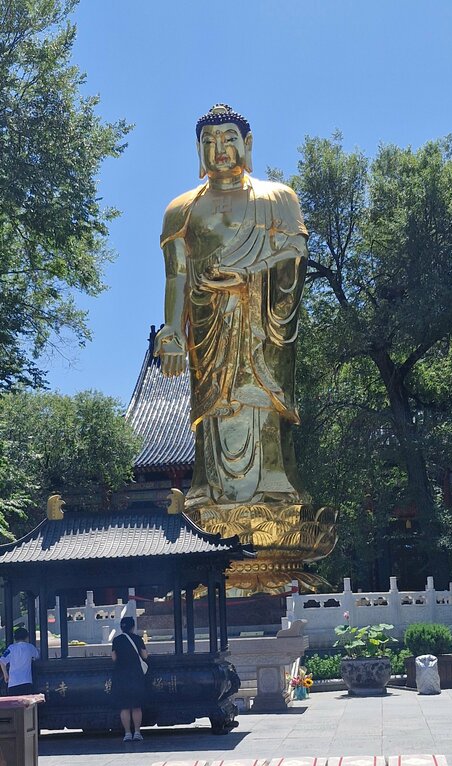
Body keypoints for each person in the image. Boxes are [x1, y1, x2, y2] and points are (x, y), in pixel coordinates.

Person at [155, 103, 308, 509]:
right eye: (209, 141)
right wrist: (171, 330)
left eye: (229, 139)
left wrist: (249, 279)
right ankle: (210, 488)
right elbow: (176, 275)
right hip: (207, 326)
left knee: (260, 397)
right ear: (198, 150)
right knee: (216, 406)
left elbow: (295, 257)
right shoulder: (181, 209)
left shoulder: (277, 198)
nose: (220, 149)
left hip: (261, 326)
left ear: (248, 143)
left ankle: (273, 483)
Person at [111, 616, 148, 741]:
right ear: (133, 627)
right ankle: (137, 732)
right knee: (136, 706)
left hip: (121, 676)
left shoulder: (116, 640)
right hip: (136, 675)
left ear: (121, 627)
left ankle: (127, 733)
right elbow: (144, 655)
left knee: (125, 707)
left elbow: (114, 658)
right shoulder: (137, 639)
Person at [0, 626, 39, 695]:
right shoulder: (30, 647)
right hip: (26, 681)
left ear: (15, 638)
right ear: (27, 637)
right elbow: (37, 656)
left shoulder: (11, 648)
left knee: (14, 701)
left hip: (13, 683)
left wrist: (6, 675)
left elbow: (2, 660)